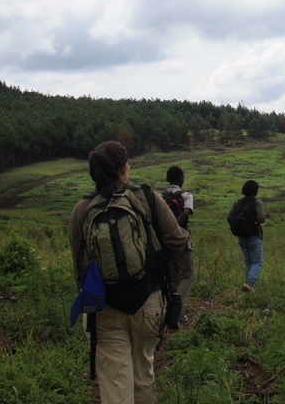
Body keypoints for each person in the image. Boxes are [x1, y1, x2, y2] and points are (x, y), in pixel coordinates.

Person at [69, 141, 192, 404]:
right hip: (147, 302)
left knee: (115, 383)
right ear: (125, 168)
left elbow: (79, 265)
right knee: (143, 374)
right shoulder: (147, 198)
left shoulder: (81, 209)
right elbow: (177, 241)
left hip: (104, 308)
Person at [161, 166, 194, 306]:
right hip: (181, 239)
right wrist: (174, 227)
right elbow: (187, 212)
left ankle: (173, 312)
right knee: (187, 275)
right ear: (181, 179)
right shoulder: (186, 195)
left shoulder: (160, 197)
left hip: (164, 241)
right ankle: (176, 308)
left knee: (173, 278)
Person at [227, 180, 267, 292]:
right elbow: (261, 219)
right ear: (256, 191)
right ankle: (249, 283)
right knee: (257, 261)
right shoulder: (256, 203)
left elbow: (229, 218)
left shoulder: (238, 202)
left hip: (241, 237)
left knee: (248, 261)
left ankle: (249, 287)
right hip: (253, 235)